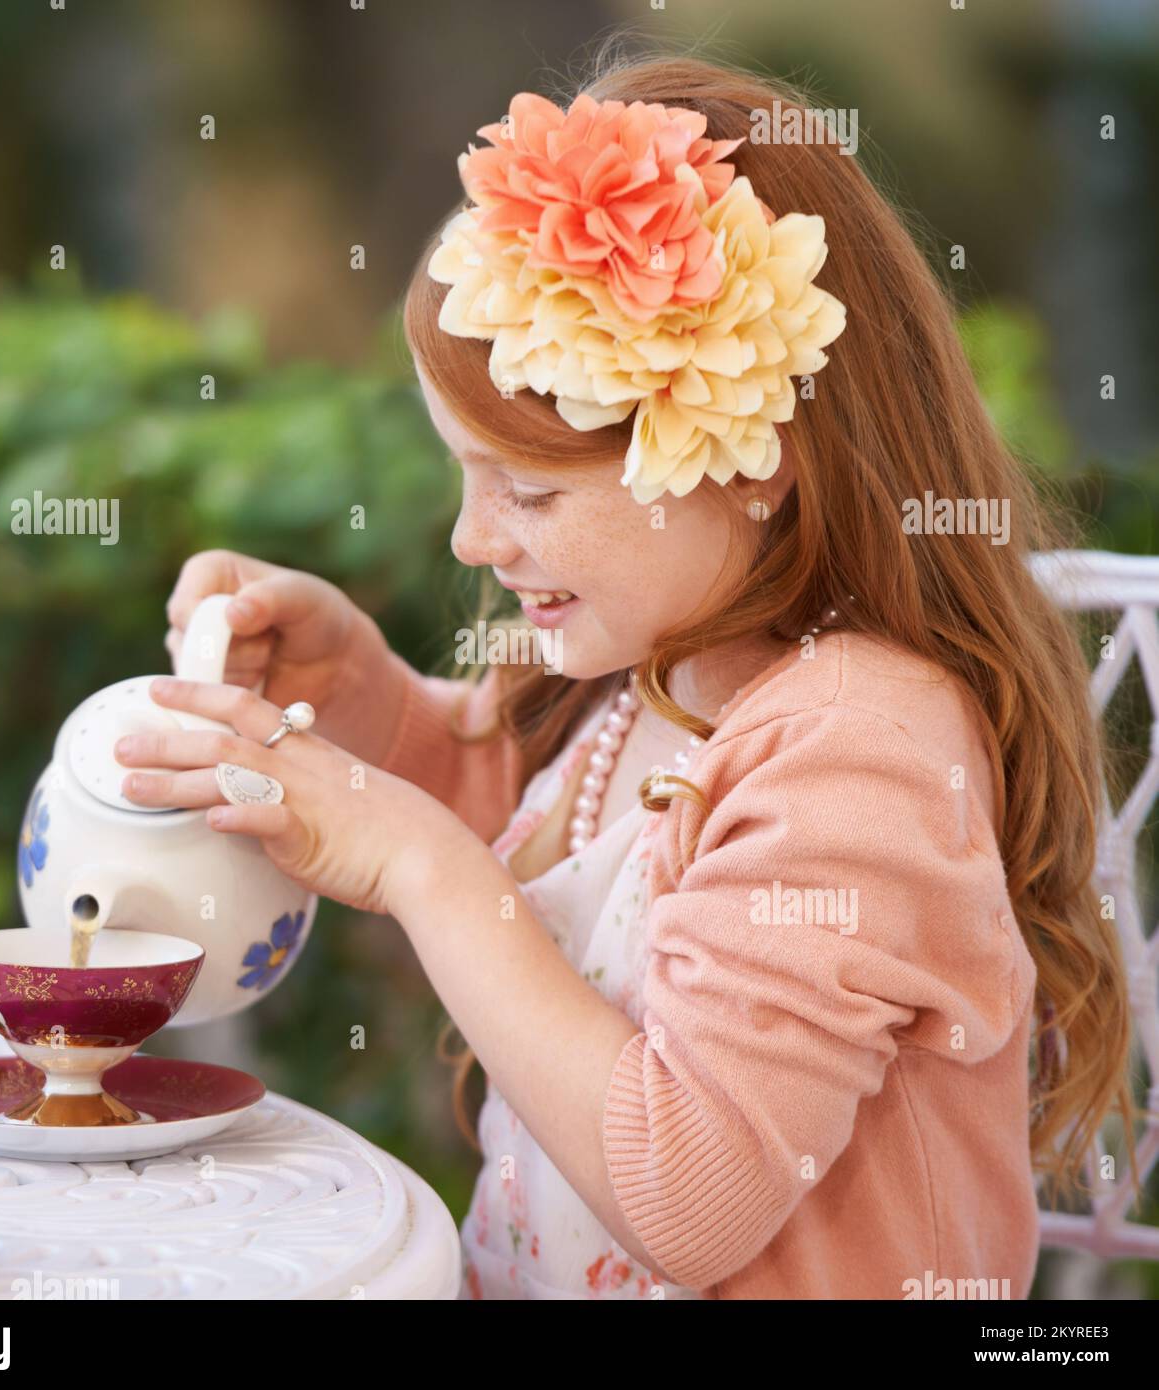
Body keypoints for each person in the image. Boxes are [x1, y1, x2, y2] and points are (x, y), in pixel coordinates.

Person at [116, 52, 1138, 1299]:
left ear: (752, 456)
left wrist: (415, 863)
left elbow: (686, 1193)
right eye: (464, 475)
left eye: (530, 489)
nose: (472, 540)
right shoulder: (648, 666)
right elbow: (531, 819)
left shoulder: (855, 749)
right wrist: (365, 698)